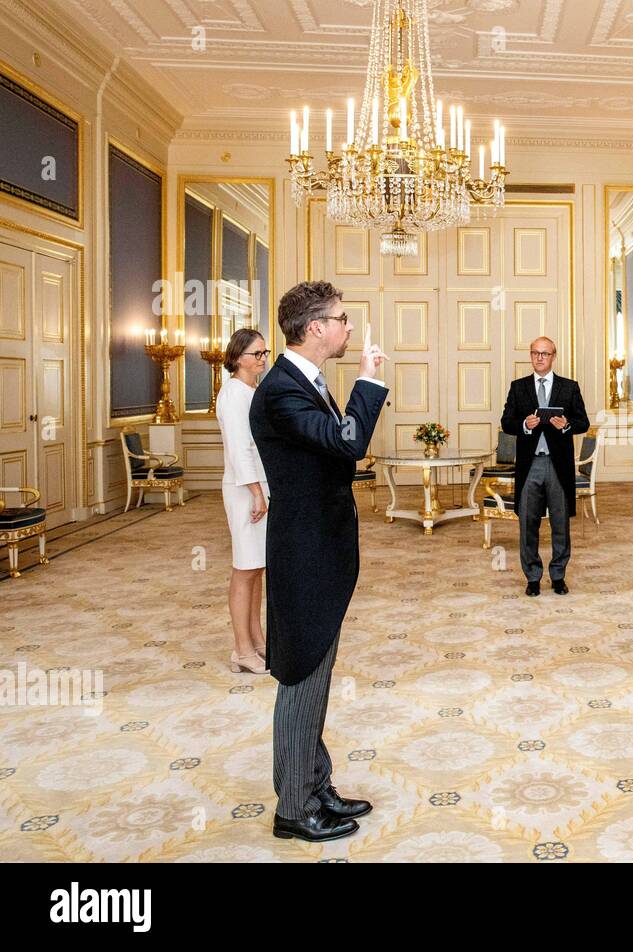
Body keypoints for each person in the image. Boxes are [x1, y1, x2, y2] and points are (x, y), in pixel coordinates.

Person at [249, 281, 388, 843]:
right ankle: (293, 808)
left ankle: (314, 782)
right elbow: (348, 441)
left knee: (317, 671)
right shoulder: (282, 391)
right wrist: (370, 380)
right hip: (304, 552)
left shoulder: (303, 380)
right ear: (315, 329)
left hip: (321, 548)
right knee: (302, 674)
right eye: (342, 319)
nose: (348, 328)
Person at [500, 336, 589, 596]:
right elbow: (506, 421)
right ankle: (533, 577)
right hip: (530, 466)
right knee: (528, 524)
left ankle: (558, 576)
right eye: (536, 353)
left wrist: (568, 425)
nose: (540, 357)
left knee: (560, 524)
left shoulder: (569, 387)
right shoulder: (518, 387)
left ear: (553, 357)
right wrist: (524, 425)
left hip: (557, 466)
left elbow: (582, 421)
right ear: (531, 356)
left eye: (545, 353)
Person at [215, 327, 271, 675]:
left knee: (257, 568)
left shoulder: (252, 391)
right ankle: (241, 649)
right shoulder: (233, 394)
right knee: (244, 567)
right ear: (237, 358)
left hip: (261, 486)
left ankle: (258, 640)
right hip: (245, 489)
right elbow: (239, 448)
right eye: (256, 354)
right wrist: (255, 492)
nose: (263, 359)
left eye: (265, 353)